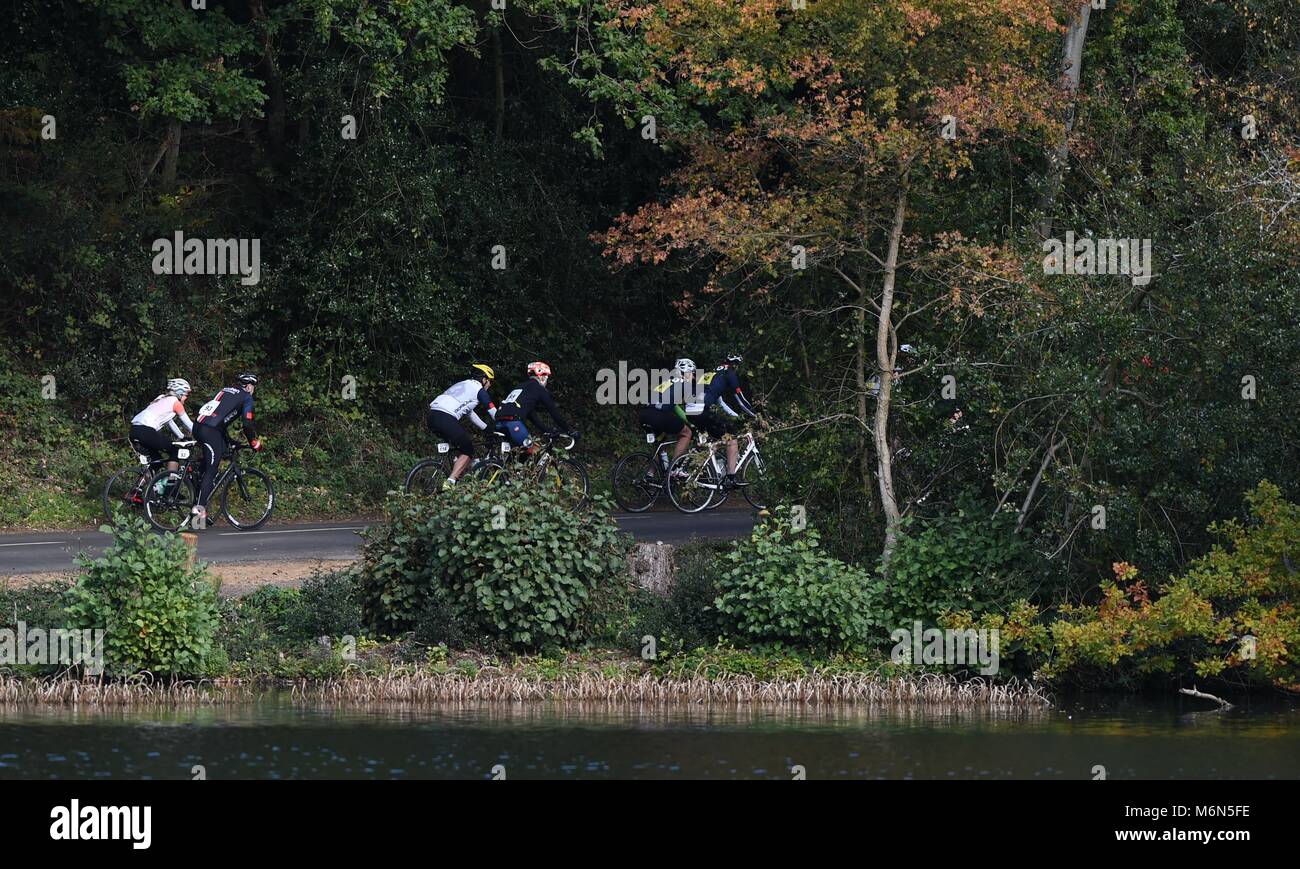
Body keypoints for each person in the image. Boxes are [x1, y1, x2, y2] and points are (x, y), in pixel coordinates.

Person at [191, 373, 262, 525]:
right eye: (254, 387)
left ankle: (195, 486)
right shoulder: (247, 397)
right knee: (212, 470)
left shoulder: (226, 390)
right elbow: (247, 424)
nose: (253, 390)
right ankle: (198, 517)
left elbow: (220, 420)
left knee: (210, 464)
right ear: (249, 386)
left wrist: (230, 441)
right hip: (210, 431)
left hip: (198, 426)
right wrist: (253, 442)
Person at [696, 352, 759, 489]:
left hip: (691, 411)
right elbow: (741, 401)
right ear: (735, 365)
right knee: (732, 438)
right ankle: (730, 478)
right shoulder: (730, 374)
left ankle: (705, 468)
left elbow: (719, 402)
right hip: (703, 410)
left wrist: (736, 417)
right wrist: (756, 416)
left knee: (713, 439)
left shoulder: (713, 373)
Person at [427, 363, 497, 487]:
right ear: (484, 379)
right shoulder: (479, 390)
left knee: (458, 446)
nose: (490, 385)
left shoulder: (463, 384)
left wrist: (486, 428)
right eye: (490, 381)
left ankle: (452, 471)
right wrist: (503, 424)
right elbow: (493, 412)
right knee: (468, 449)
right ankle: (450, 483)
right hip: (445, 417)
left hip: (432, 415)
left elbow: (469, 413)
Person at [128, 378, 195, 502]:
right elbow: (190, 425)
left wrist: (181, 437)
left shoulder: (161, 398)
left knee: (156, 462)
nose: (186, 397)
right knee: (175, 451)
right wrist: (202, 435)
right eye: (186, 394)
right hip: (146, 430)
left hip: (134, 429)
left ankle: (136, 491)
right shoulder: (176, 403)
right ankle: (170, 489)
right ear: (179, 392)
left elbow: (168, 421)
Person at [494, 361, 577, 452]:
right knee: (534, 451)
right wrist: (569, 430)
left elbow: (531, 415)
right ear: (542, 376)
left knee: (516, 454)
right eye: (546, 377)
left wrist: (545, 430)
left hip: (499, 422)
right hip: (513, 423)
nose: (546, 380)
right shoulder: (538, 388)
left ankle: (501, 465)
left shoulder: (520, 386)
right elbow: (553, 411)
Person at [642, 358, 697, 473]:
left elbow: (675, 407)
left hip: (644, 414)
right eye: (692, 373)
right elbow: (688, 409)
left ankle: (650, 475)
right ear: (685, 373)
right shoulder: (684, 384)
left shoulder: (668, 382)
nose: (693, 377)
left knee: (662, 445)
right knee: (687, 433)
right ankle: (674, 469)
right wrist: (692, 423)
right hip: (658, 415)